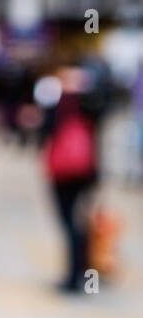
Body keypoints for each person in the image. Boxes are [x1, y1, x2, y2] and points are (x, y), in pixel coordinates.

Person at [40, 67, 100, 294]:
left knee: (70, 224)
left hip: (64, 173)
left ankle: (75, 275)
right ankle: (83, 272)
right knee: (79, 224)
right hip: (85, 172)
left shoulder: (60, 106)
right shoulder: (89, 106)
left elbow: (46, 131)